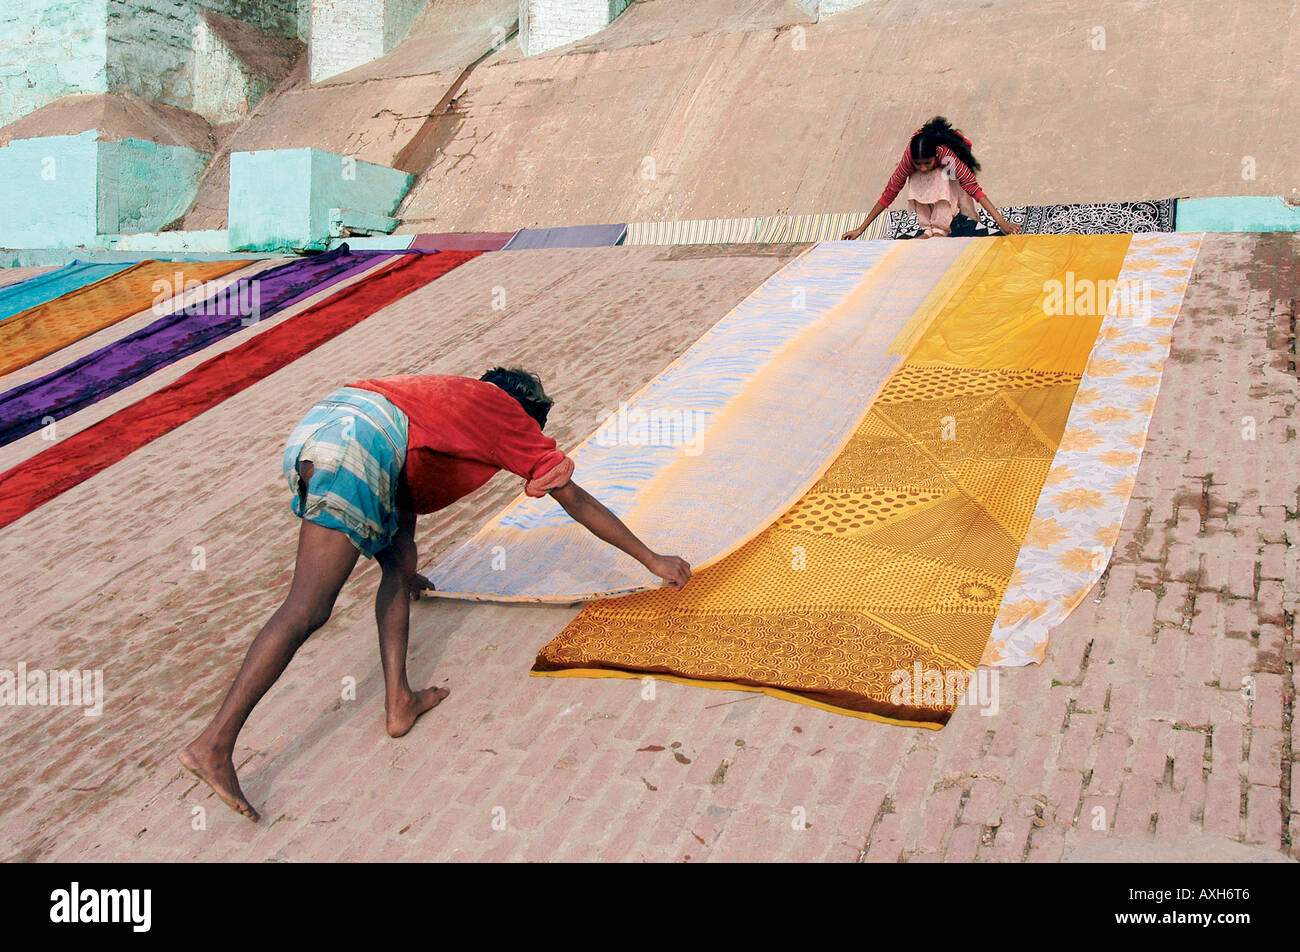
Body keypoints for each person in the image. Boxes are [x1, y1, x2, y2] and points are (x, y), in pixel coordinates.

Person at [180, 368, 692, 821]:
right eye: (532, 430)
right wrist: (652, 559)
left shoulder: (446, 400)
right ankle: (215, 744)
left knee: (399, 565)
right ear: (526, 414)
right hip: (356, 443)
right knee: (308, 607)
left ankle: (398, 702)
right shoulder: (506, 413)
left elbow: (405, 494)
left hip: (326, 428)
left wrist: (407, 572)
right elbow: (573, 497)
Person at [842, 117, 1023, 240]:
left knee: (941, 177)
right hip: (930, 193)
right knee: (916, 177)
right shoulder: (910, 159)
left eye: (927, 163)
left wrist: (1002, 222)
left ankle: (939, 228)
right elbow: (889, 193)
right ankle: (927, 228)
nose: (923, 168)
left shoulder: (946, 155)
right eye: (918, 164)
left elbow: (974, 189)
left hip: (950, 186)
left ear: (935, 156)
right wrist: (860, 229)